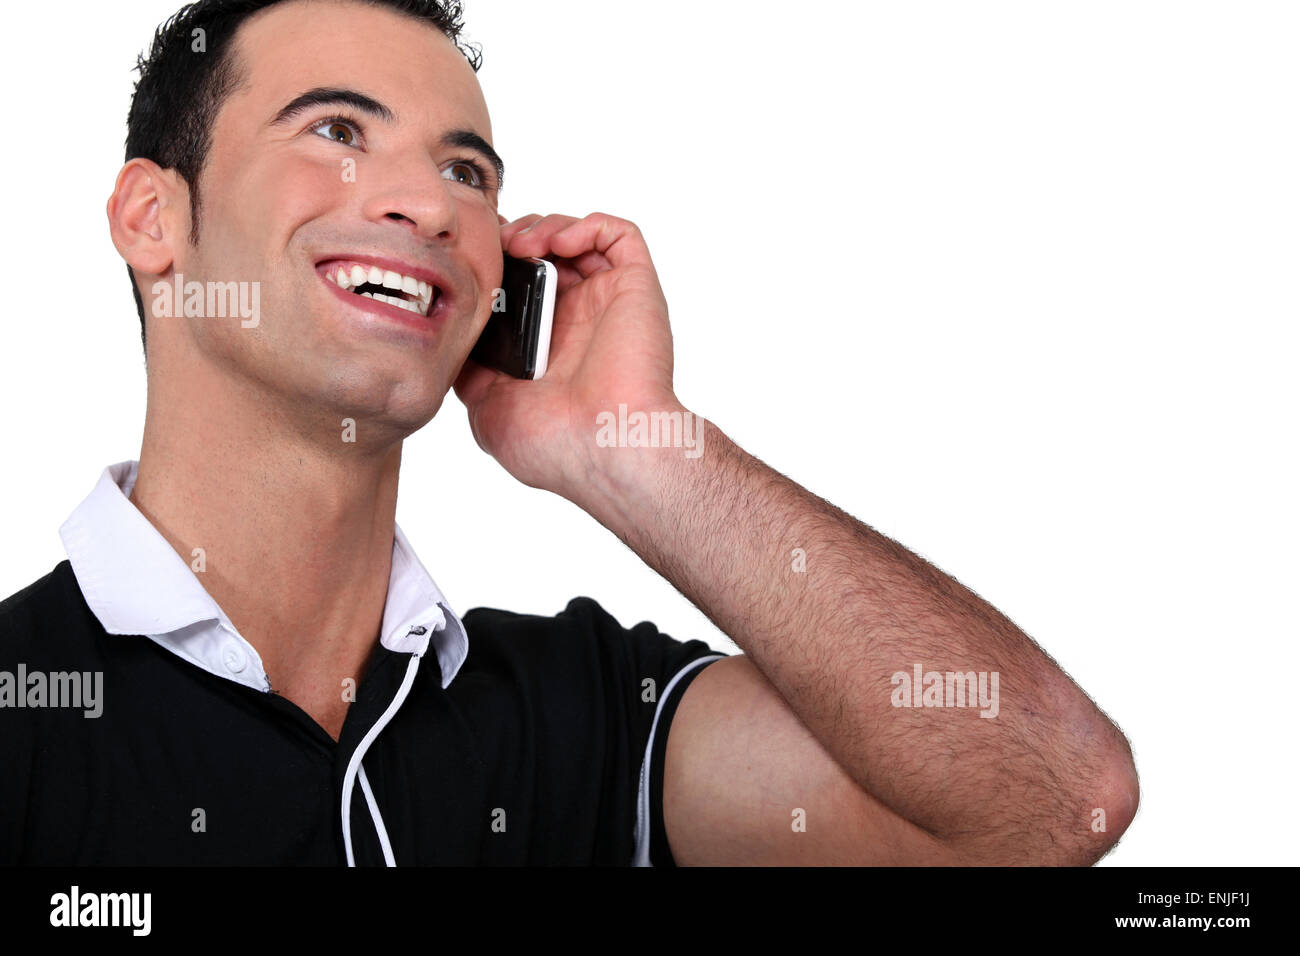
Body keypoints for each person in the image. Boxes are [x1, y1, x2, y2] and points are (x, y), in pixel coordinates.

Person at [0, 0, 1138, 865]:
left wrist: (637, 450)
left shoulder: (584, 714)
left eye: (465, 169)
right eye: (338, 129)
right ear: (153, 218)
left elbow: (1056, 793)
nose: (433, 205)